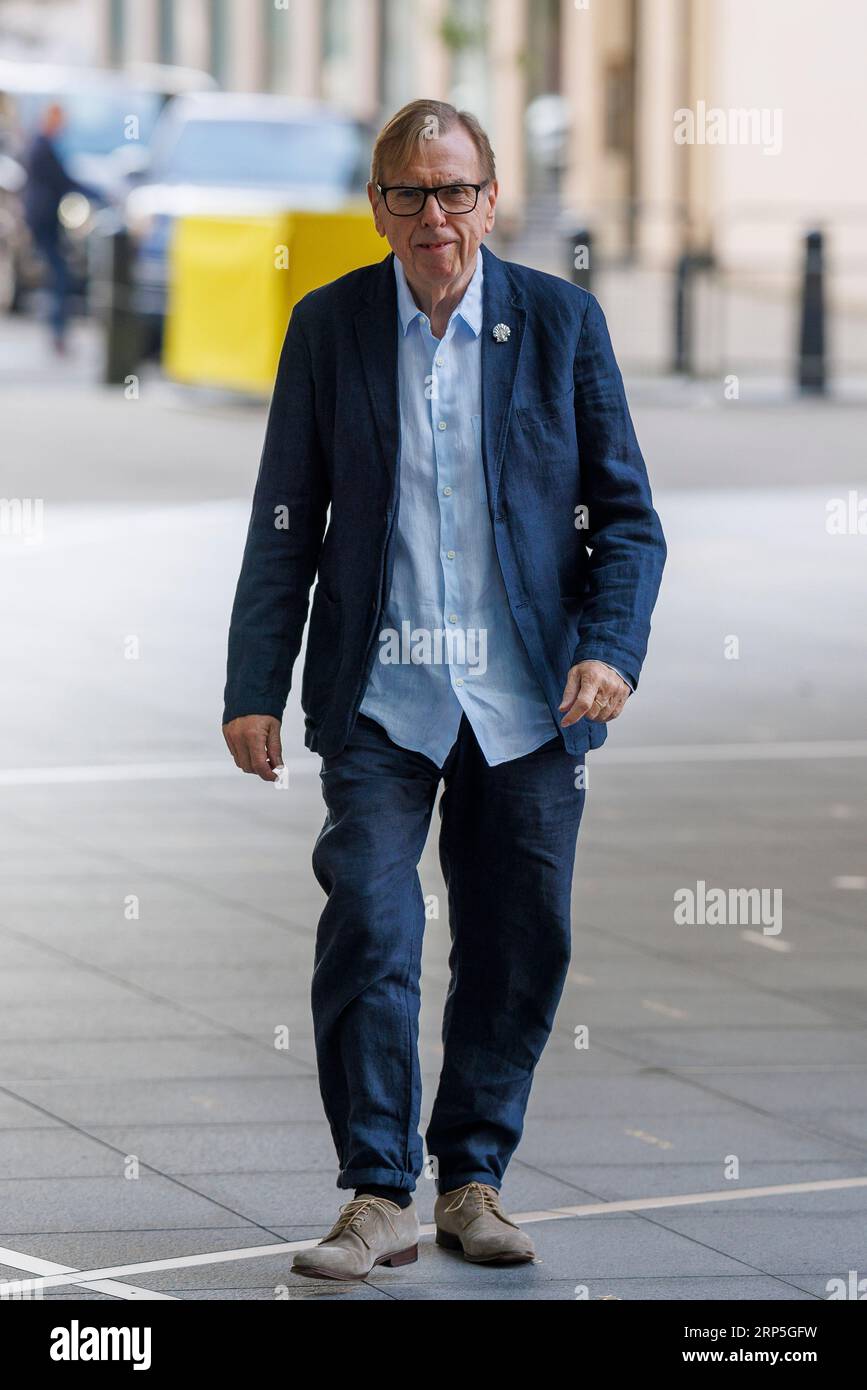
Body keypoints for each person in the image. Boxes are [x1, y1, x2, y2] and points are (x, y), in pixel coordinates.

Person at [222, 99, 666, 1281]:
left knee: (520, 941)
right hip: (383, 692)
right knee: (370, 920)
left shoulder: (562, 325)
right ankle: (376, 1194)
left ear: (491, 197)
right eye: (410, 193)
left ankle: (472, 1178)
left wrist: (609, 649)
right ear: (377, 206)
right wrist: (253, 682)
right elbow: (284, 523)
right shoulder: (331, 329)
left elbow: (628, 519)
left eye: (456, 191)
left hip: (529, 700)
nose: (436, 216)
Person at [22, 102, 93, 352]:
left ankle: (58, 329)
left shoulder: (42, 145)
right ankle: (57, 330)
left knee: (57, 272)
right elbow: (62, 181)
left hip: (45, 219)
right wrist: (95, 193)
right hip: (44, 219)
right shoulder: (42, 147)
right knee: (60, 274)